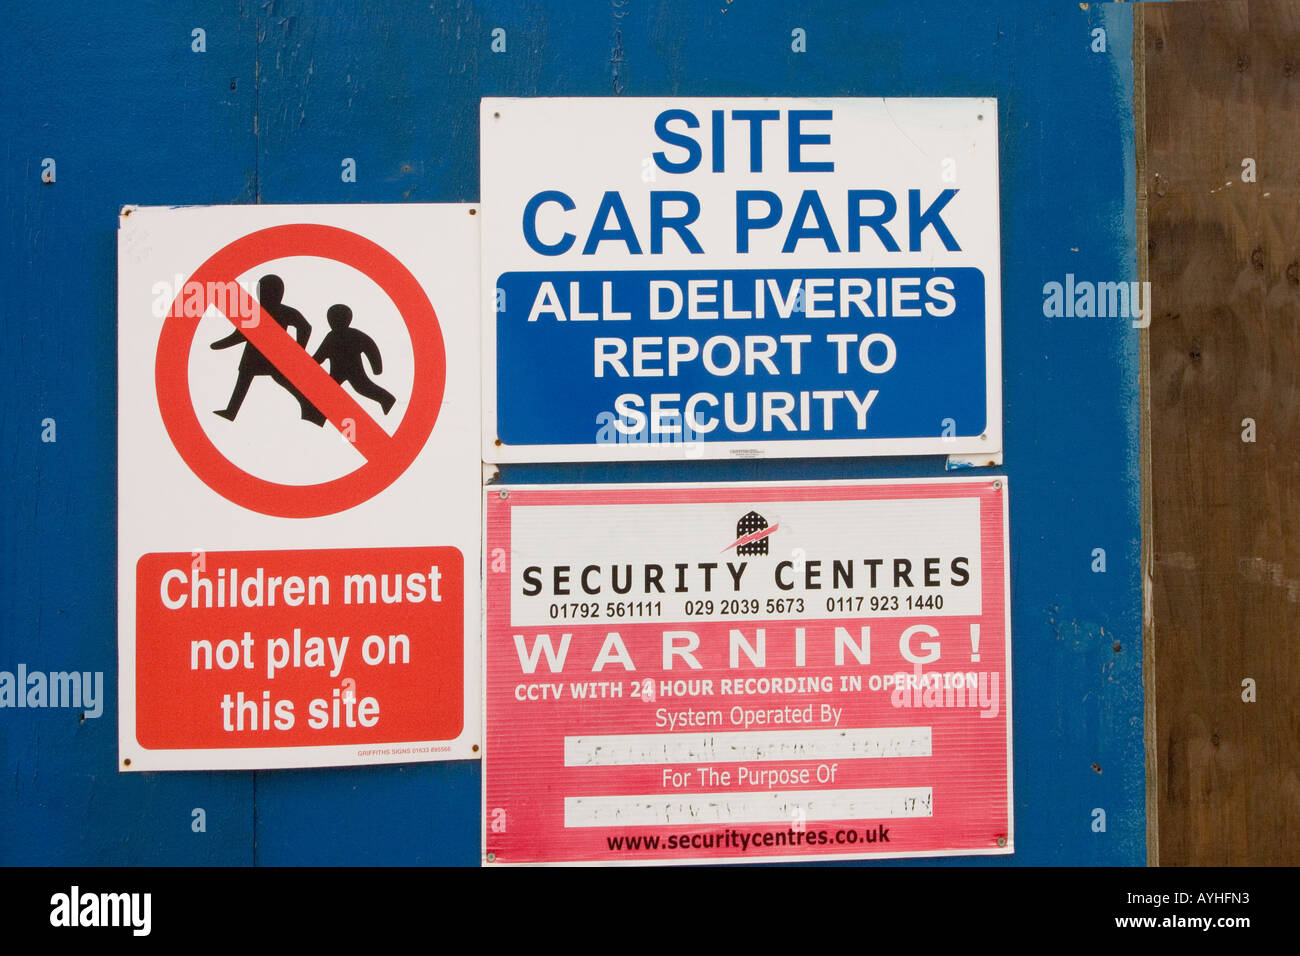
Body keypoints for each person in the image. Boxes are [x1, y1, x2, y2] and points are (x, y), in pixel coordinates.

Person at [211, 274, 326, 425]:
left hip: (273, 355)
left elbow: (305, 327)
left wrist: (298, 351)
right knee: (245, 379)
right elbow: (239, 334)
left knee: (281, 381)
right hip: (258, 356)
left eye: (264, 291)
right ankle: (231, 412)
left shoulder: (276, 312)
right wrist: (219, 345)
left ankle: (311, 408)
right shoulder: (255, 313)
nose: (262, 294)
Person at [311, 304, 396, 414]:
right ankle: (319, 414)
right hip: (340, 370)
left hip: (353, 370)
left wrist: (377, 368)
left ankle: (387, 399)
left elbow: (370, 347)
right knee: (331, 390)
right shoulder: (336, 336)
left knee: (362, 387)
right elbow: (370, 347)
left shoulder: (341, 336)